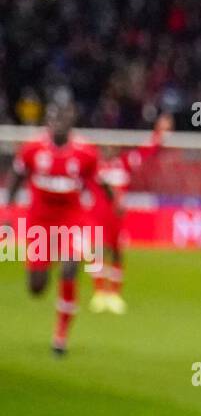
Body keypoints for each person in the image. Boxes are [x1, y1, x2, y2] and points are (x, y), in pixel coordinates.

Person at [2, 98, 100, 355]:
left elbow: (96, 184)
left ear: (71, 123)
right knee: (36, 287)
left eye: (64, 118)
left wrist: (105, 209)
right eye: (55, 118)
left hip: (72, 218)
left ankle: (60, 337)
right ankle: (44, 268)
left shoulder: (86, 153)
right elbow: (15, 179)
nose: (59, 123)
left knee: (69, 269)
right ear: (49, 122)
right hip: (40, 221)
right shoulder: (32, 149)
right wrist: (8, 214)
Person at [87, 112, 173, 314]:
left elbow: (146, 151)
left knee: (117, 252)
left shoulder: (124, 163)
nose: (109, 148)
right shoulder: (94, 166)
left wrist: (160, 132)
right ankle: (99, 293)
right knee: (97, 251)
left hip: (117, 217)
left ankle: (114, 294)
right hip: (98, 216)